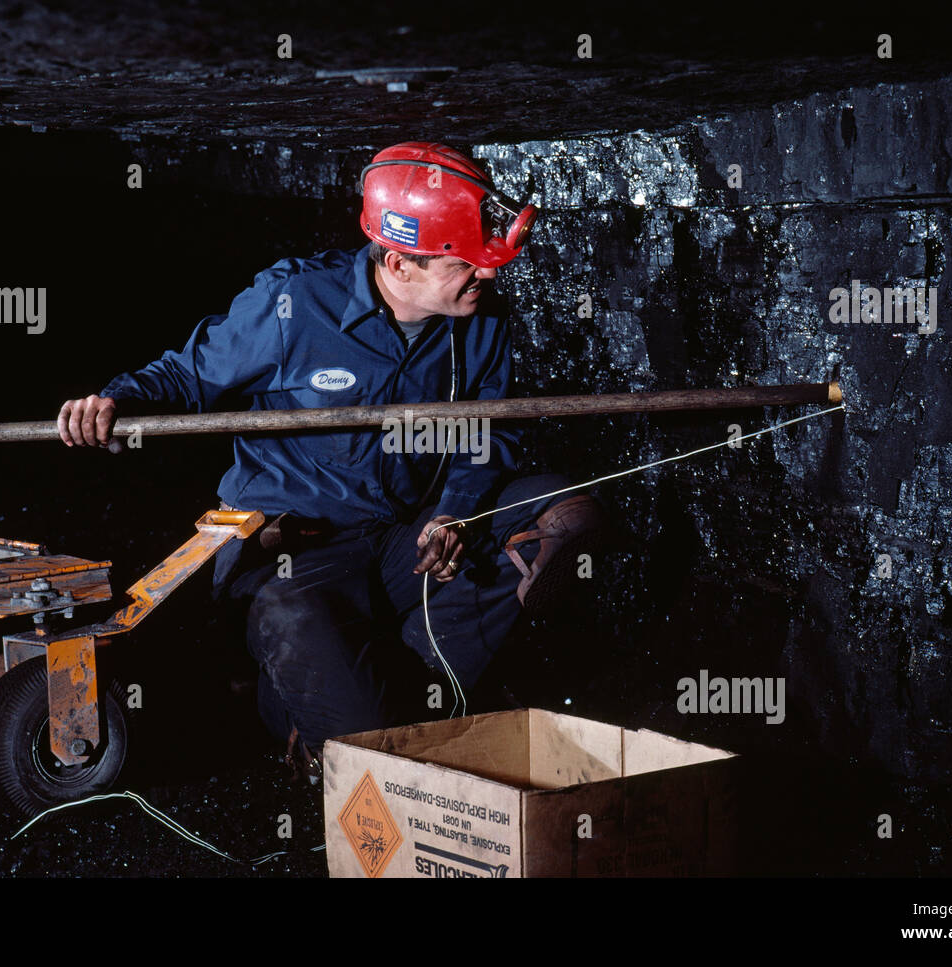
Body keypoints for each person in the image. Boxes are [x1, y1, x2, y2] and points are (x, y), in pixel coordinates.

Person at [57, 141, 601, 780]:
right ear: (399, 262)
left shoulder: (481, 322)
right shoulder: (292, 306)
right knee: (303, 631)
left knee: (560, 511)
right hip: (296, 552)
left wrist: (452, 515)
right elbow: (186, 376)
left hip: (403, 538)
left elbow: (486, 436)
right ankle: (308, 716)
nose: (487, 275)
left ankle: (419, 682)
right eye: (467, 265)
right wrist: (114, 402)